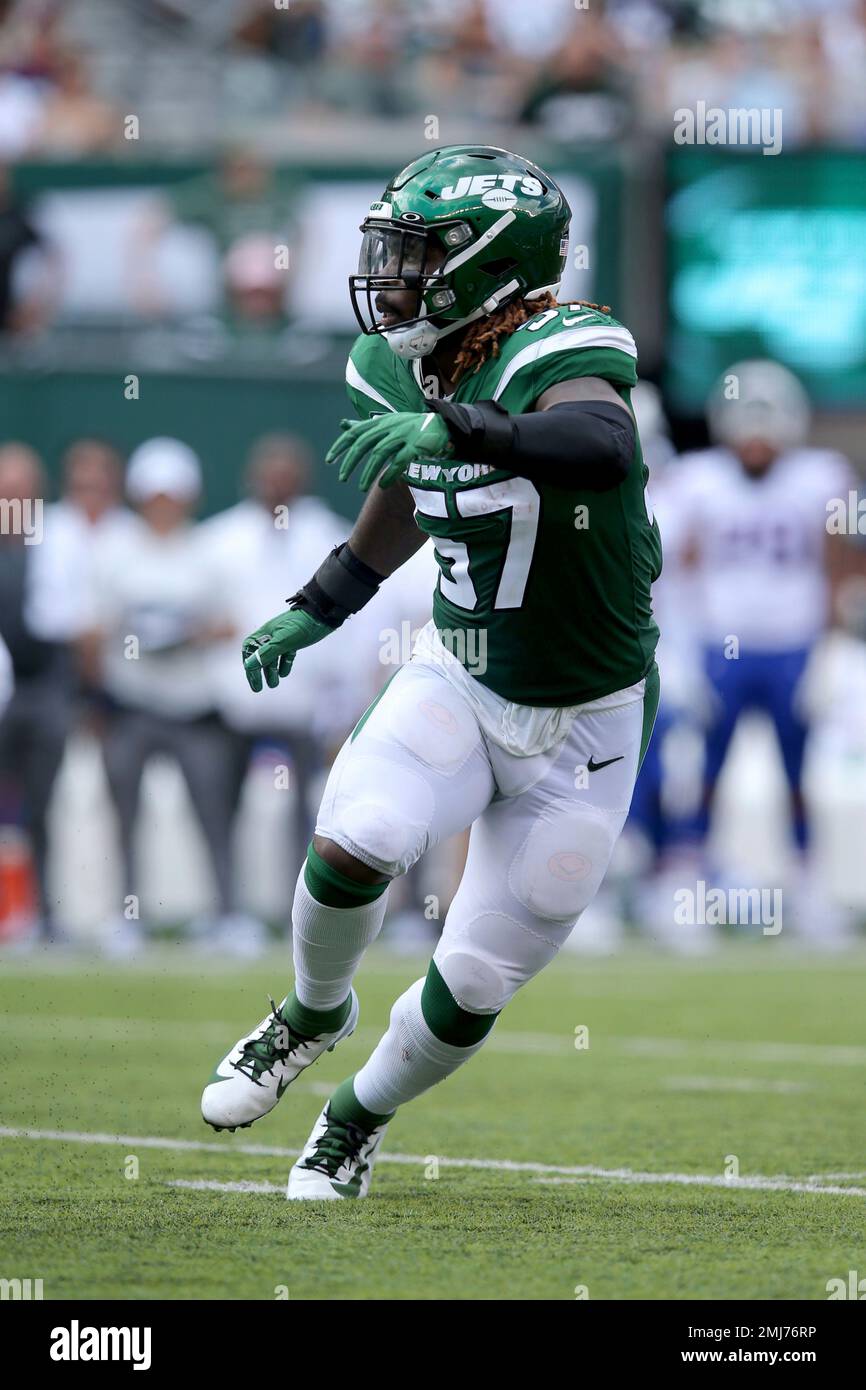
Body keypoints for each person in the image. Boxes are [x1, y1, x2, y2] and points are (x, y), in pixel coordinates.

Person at [201, 145, 662, 1199]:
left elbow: (598, 445)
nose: (389, 274)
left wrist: (458, 425)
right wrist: (321, 601)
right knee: (356, 838)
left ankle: (354, 1116)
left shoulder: (565, 342)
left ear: (489, 265)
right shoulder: (402, 363)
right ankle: (313, 1010)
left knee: (472, 982)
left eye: (414, 255)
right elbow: (413, 486)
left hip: (590, 716)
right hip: (461, 669)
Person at [669, 360, 856, 939]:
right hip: (719, 650)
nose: (755, 439)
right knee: (703, 772)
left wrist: (833, 647)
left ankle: (808, 890)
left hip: (794, 647)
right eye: (746, 424)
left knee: (800, 776)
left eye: (766, 425)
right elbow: (678, 570)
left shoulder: (822, 476)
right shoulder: (699, 479)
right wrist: (679, 646)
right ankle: (686, 891)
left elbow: (839, 566)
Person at [86, 438, 240, 952]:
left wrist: (191, 634)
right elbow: (97, 629)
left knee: (212, 813)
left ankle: (225, 914)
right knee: (124, 813)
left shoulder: (208, 552)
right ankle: (127, 915)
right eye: (155, 496)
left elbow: (228, 625)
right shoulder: (115, 552)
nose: (163, 506)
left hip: (193, 708)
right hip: (132, 706)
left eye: (171, 496)